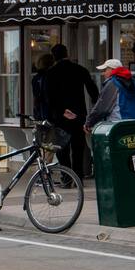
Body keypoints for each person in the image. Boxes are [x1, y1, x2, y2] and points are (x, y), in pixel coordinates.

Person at [43, 44, 99, 181]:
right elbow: (93, 91)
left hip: (60, 116)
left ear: (54, 56)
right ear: (66, 53)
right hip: (78, 114)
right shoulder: (80, 69)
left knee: (62, 149)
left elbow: (48, 97)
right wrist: (94, 111)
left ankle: (67, 177)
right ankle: (78, 176)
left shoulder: (51, 73)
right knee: (78, 148)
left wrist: (58, 112)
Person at [86, 59, 135, 129]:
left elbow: (101, 109)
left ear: (112, 70)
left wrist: (89, 123)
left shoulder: (112, 83)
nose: (104, 73)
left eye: (105, 70)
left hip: (118, 125)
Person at [30, 53, 54, 122]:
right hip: (50, 111)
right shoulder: (51, 76)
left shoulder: (36, 78)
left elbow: (35, 97)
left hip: (40, 110)